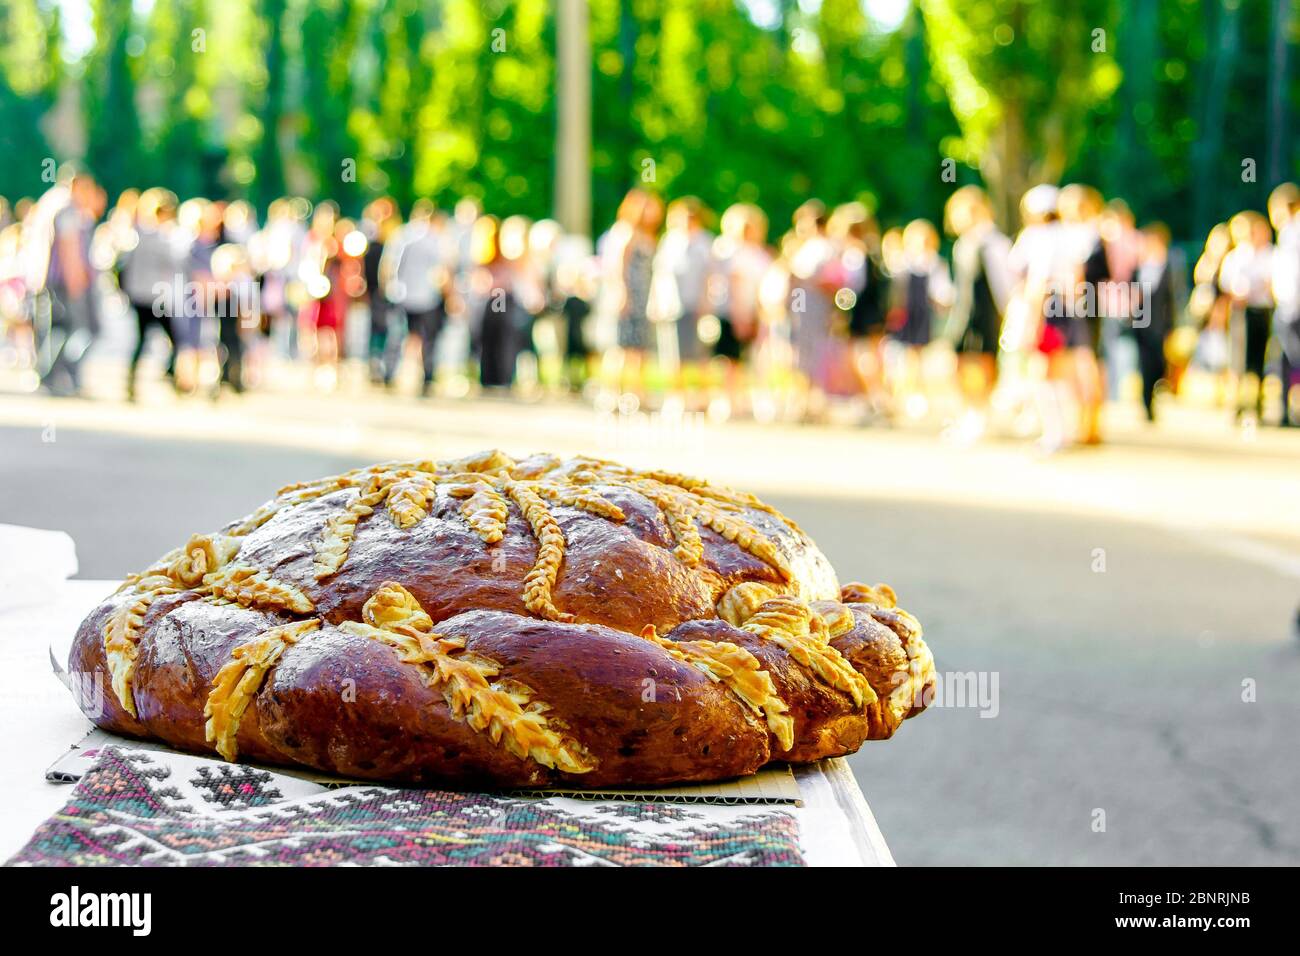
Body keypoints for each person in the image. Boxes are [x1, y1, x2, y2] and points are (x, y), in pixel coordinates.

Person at [944, 186, 1011, 433]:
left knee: (984, 362)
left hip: (986, 312)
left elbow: (1003, 283)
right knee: (959, 362)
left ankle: (980, 413)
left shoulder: (994, 243)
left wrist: (1008, 314)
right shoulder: (962, 245)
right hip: (963, 313)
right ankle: (970, 411)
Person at [39, 172, 102, 396]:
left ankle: (57, 376)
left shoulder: (72, 211)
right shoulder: (67, 211)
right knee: (74, 329)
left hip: (67, 282)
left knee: (67, 330)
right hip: (67, 283)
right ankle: (55, 375)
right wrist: (76, 284)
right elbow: (68, 250)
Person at [120, 188, 181, 400]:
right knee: (173, 338)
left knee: (142, 340)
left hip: (139, 295)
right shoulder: (160, 238)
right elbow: (173, 264)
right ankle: (167, 373)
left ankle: (131, 381)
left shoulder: (135, 234)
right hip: (153, 296)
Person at [382, 199, 446, 394]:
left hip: (401, 293)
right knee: (428, 338)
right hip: (426, 296)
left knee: (397, 335)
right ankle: (427, 376)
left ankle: (389, 372)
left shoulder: (401, 235)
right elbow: (441, 270)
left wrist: (387, 288)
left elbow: (388, 264)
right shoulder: (434, 238)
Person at [1219, 211, 1276, 422]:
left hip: (1262, 310)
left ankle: (1257, 402)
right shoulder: (1237, 256)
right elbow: (1227, 283)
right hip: (1241, 311)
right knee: (1238, 358)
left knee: (1259, 358)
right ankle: (1236, 403)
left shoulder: (1270, 254)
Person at [1132, 223, 1175, 422]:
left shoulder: (1168, 267)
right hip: (1141, 323)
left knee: (1158, 364)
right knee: (1144, 364)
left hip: (1159, 325)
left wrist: (1170, 326)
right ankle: (1146, 404)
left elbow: (1171, 299)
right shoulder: (1138, 268)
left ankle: (1155, 394)